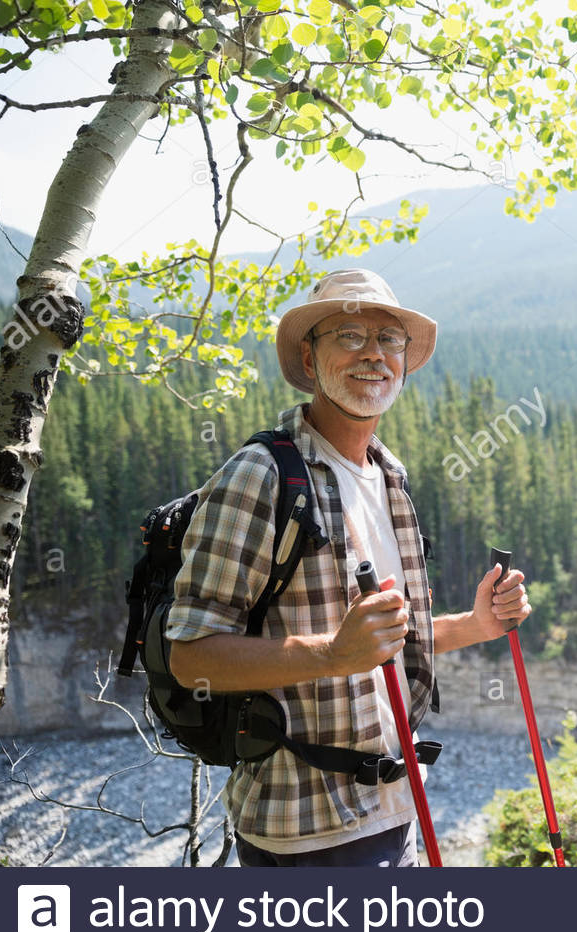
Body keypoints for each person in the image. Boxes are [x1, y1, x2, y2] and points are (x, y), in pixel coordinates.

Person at [166, 268, 530, 866]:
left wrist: (477, 624)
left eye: (390, 340)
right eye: (349, 335)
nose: (374, 355)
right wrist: (332, 655)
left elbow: (383, 644)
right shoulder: (260, 476)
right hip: (306, 829)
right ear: (309, 360)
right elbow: (190, 655)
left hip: (396, 810)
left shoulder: (389, 478)